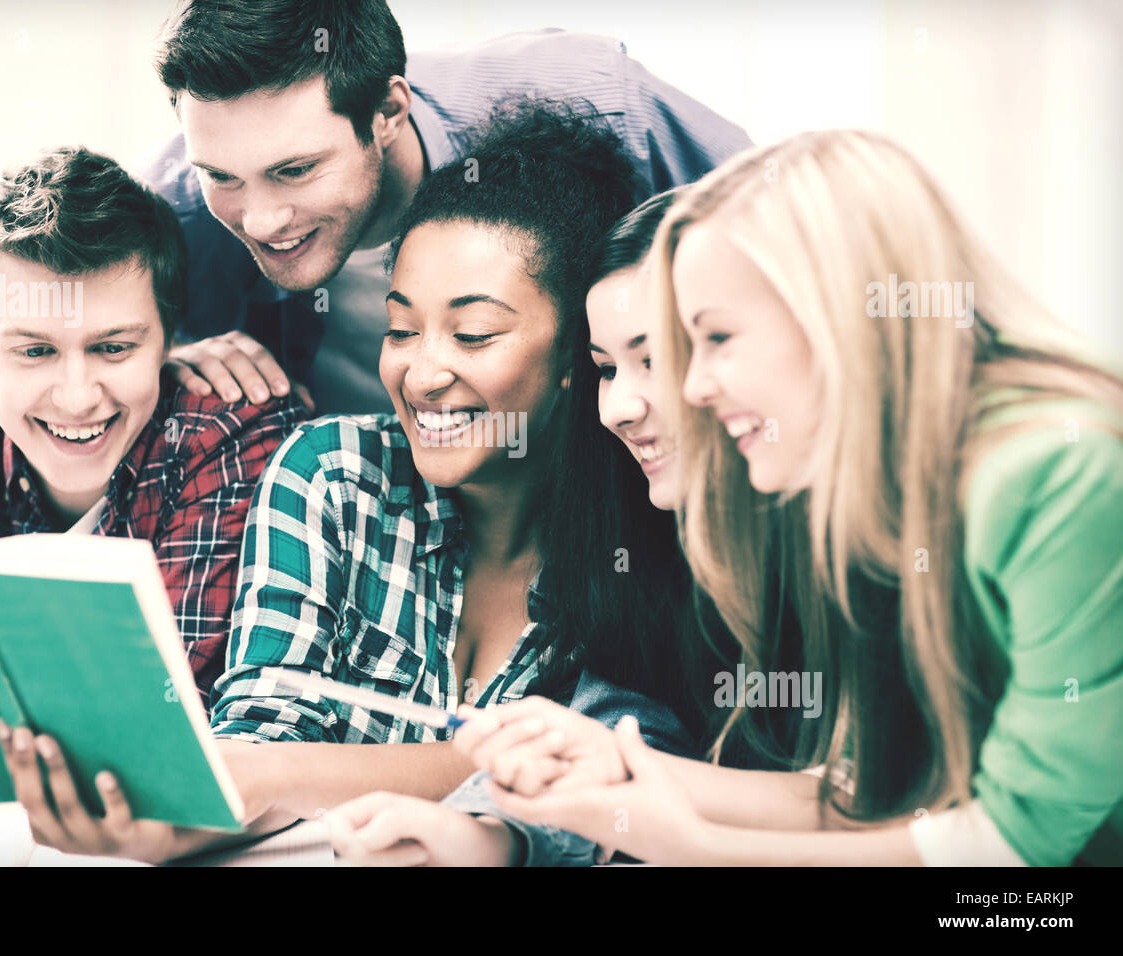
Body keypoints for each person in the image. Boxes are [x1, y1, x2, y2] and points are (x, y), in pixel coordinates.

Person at [396, 130, 1123, 866]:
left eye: (712, 340)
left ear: (831, 316)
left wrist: (699, 848)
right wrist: (609, 765)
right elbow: (869, 794)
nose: (697, 386)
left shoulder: (1052, 478)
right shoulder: (867, 493)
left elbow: (1020, 848)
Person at [0, 101, 693, 863]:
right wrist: (163, 823)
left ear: (576, 356)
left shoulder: (649, 536)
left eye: (473, 335)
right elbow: (261, 735)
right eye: (401, 329)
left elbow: (610, 764)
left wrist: (277, 776)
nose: (422, 374)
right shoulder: (330, 476)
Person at [325, 190, 802, 866]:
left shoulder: (872, 542)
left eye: (661, 357)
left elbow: (948, 830)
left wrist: (693, 842)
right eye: (609, 367)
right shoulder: (662, 539)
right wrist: (487, 834)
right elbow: (637, 729)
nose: (622, 407)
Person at [0, 147, 301, 783]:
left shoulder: (222, 438)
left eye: (113, 348)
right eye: (35, 351)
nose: (77, 397)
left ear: (171, 339)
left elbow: (158, 722)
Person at [145, 0, 752, 415]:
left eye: (295, 171)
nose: (260, 219)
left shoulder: (598, 104)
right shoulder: (174, 211)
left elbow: (795, 251)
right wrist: (156, 360)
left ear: (388, 112)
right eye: (222, 177)